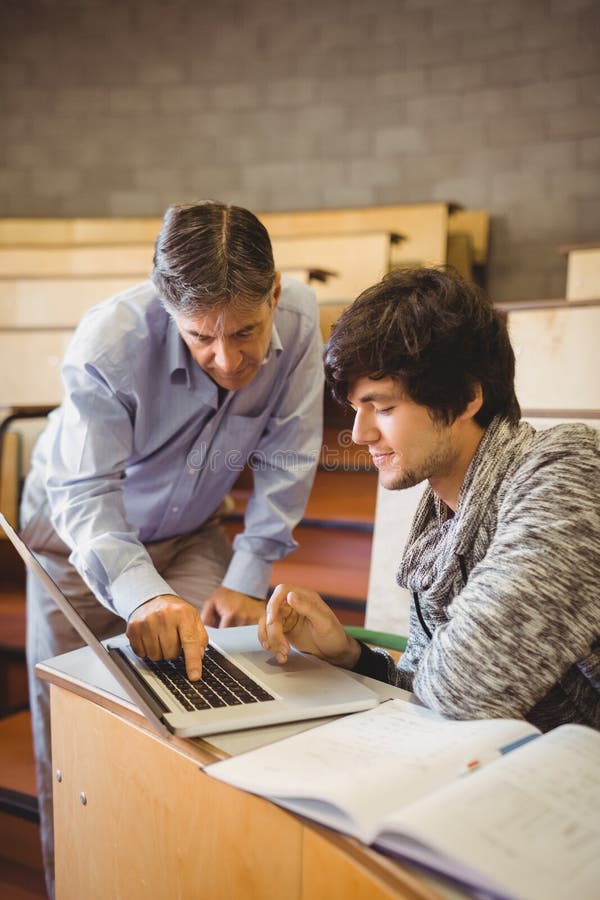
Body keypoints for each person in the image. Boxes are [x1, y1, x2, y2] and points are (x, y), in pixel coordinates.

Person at [22, 200, 324, 898]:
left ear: (275, 291)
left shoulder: (303, 322)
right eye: (201, 339)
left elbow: (289, 457)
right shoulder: (110, 343)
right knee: (74, 729)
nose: (229, 359)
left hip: (190, 532)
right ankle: (75, 881)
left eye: (247, 330)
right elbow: (86, 496)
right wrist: (143, 594)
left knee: (214, 692)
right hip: (75, 545)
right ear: (165, 308)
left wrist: (250, 573)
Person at [259, 266, 600, 735]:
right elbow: (424, 688)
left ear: (465, 397)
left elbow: (466, 689)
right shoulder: (440, 526)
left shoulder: (568, 467)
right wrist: (350, 656)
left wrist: (428, 680)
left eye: (383, 407)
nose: (360, 433)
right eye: (356, 409)